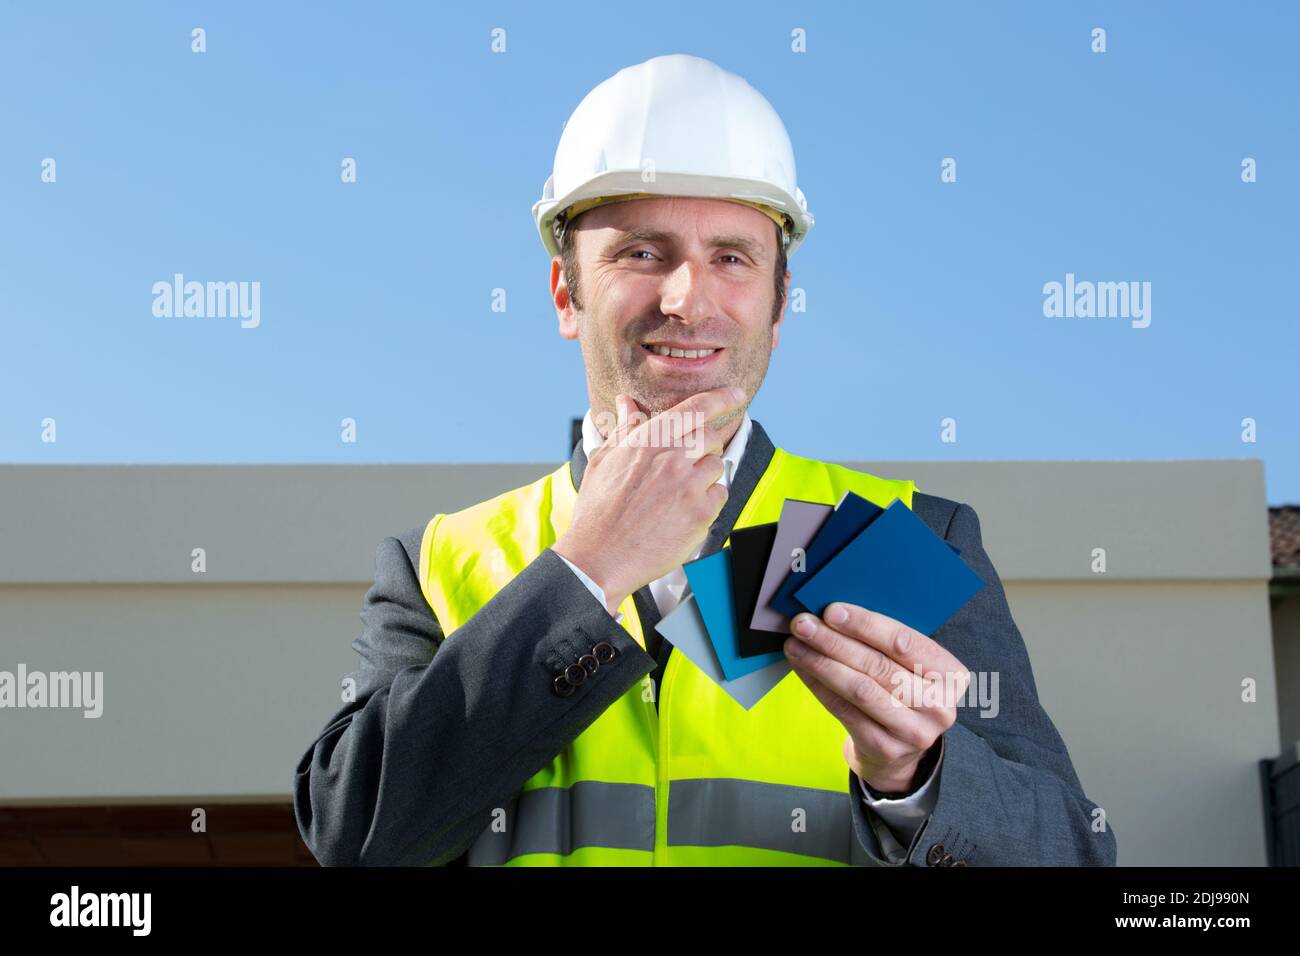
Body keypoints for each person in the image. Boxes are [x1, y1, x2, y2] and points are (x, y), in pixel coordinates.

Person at [292, 53, 1117, 867]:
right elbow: (355, 835)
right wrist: (587, 570)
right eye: (642, 253)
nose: (687, 300)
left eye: (731, 257)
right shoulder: (437, 564)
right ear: (564, 294)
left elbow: (1076, 857)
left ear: (778, 303)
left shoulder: (900, 536)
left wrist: (918, 780)